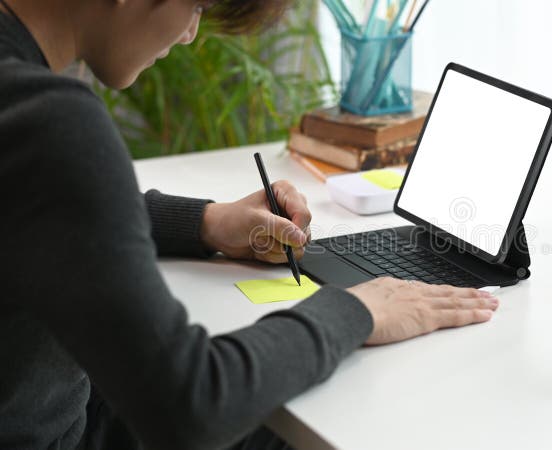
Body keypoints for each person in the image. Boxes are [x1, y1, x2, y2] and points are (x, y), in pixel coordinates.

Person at [0, 0, 500, 449]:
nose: (190, 34)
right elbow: (193, 405)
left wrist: (206, 222)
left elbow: (33, 201)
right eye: (197, 7)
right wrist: (357, 310)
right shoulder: (52, 123)